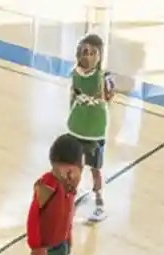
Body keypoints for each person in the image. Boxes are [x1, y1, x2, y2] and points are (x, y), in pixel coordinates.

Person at [67, 34, 112, 224]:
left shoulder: (103, 77)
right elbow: (72, 97)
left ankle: (99, 202)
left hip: (94, 131)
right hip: (76, 127)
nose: (88, 56)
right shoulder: (75, 73)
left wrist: (104, 89)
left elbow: (108, 97)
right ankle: (71, 196)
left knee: (95, 168)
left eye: (93, 53)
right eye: (85, 52)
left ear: (100, 56)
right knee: (75, 165)